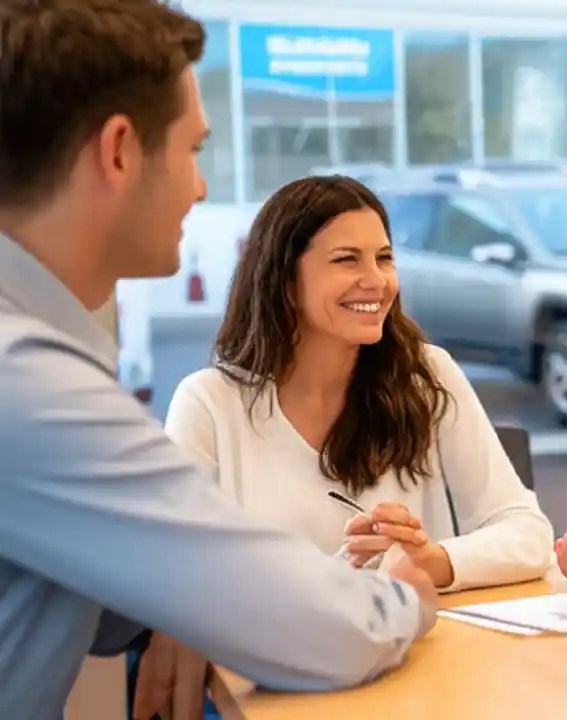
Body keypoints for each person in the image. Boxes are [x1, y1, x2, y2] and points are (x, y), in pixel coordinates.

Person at [0, 3, 441, 718]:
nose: (199, 188)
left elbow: (113, 605)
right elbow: (333, 631)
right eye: (194, 151)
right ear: (118, 152)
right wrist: (404, 597)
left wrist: (192, 600)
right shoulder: (25, 380)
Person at [131, 175, 556, 716]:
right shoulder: (210, 403)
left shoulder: (428, 376)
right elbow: (182, 581)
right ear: (285, 280)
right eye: (347, 260)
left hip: (420, 679)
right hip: (275, 688)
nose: (376, 280)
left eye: (384, 258)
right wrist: (340, 574)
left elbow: (526, 532)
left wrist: (432, 561)